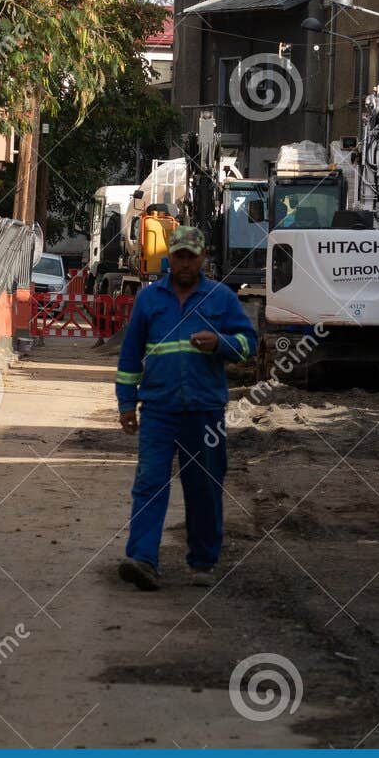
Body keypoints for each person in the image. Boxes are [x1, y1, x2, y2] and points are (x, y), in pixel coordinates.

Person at [113, 226, 258, 590]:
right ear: (169, 257)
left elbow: (248, 345)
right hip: (159, 410)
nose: (185, 263)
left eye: (191, 256)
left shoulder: (221, 298)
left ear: (203, 258)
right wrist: (126, 404)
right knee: (149, 483)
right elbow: (131, 354)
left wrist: (220, 343)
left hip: (204, 412)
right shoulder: (149, 300)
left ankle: (203, 561)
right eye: (179, 256)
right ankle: (144, 559)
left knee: (204, 487)